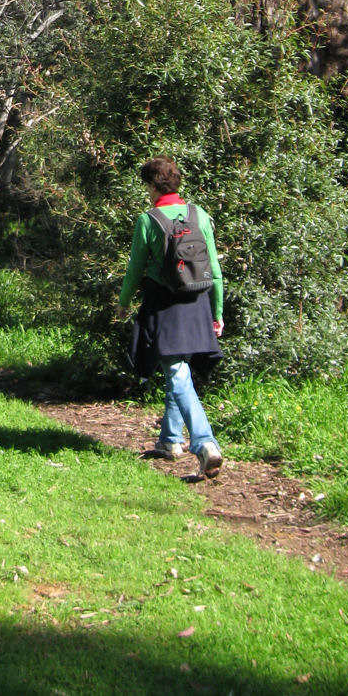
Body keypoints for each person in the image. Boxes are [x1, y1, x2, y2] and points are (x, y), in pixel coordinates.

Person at [118, 156, 225, 477]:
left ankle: (205, 443)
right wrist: (217, 312)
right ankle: (170, 440)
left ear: (153, 186)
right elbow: (215, 270)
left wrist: (123, 303)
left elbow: (135, 269)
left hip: (165, 304)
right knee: (179, 370)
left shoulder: (148, 220)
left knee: (176, 372)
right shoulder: (199, 214)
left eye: (146, 185)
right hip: (198, 301)